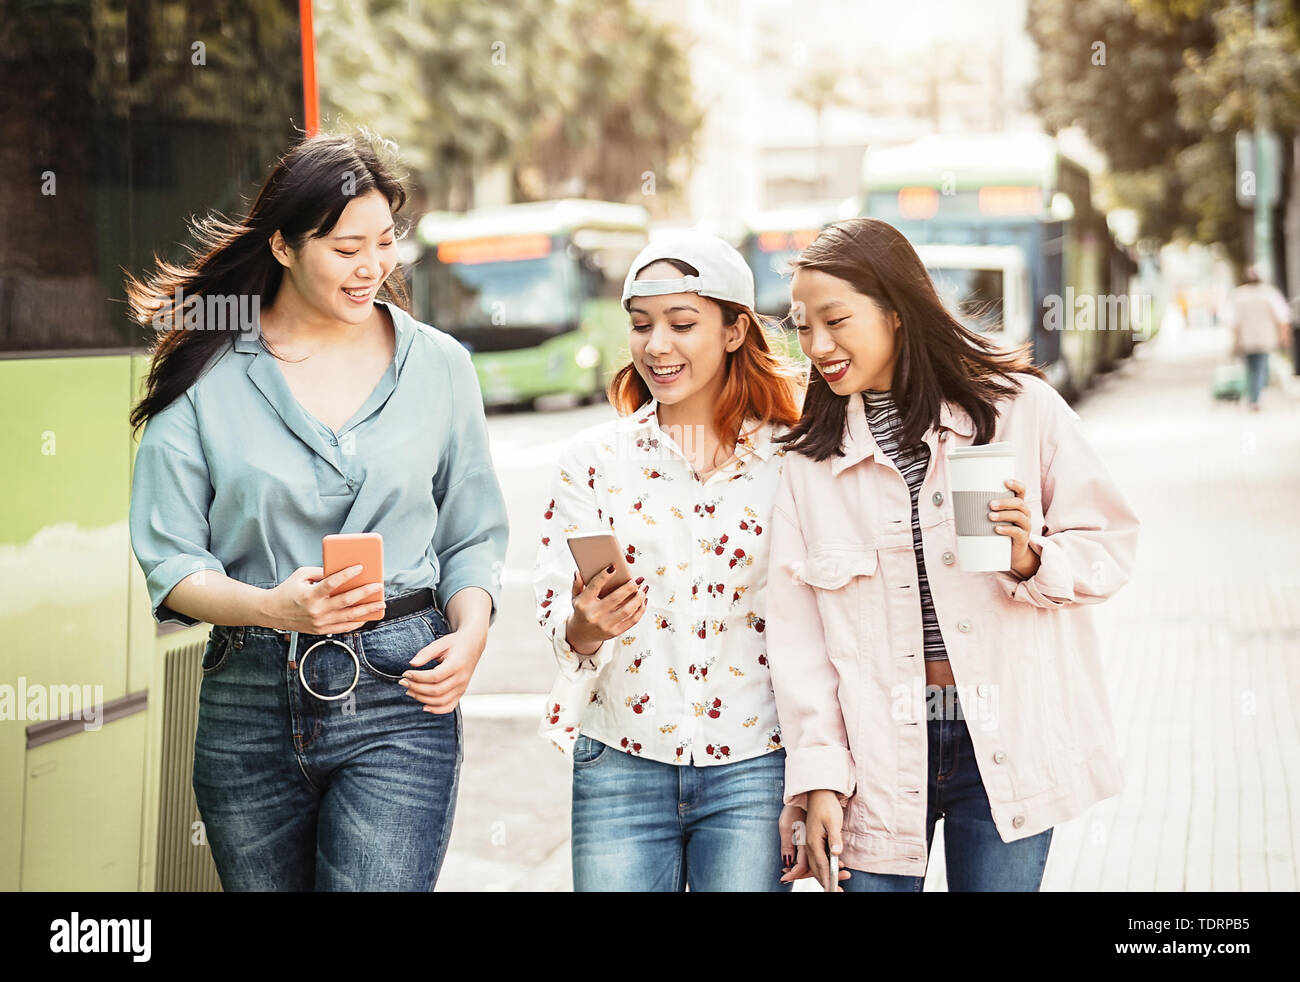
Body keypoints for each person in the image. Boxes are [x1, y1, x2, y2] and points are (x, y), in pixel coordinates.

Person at [126, 133, 508, 891]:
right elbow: (171, 561)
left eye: (386, 242)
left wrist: (472, 633)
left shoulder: (441, 367)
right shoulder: (208, 371)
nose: (372, 267)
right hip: (249, 700)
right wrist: (272, 607)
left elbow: (472, 534)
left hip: (401, 685)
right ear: (284, 245)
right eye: (344, 247)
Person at [766, 218, 1139, 892]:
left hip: (1004, 735)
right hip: (876, 751)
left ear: (898, 312)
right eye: (802, 325)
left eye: (836, 320)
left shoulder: (1020, 408)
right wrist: (818, 777)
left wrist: (1031, 559)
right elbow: (798, 642)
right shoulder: (806, 464)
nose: (818, 345)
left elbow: (1110, 544)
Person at [532, 231, 804, 891]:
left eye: (682, 324)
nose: (657, 345)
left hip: (754, 765)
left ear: (736, 330)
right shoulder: (591, 460)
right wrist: (586, 626)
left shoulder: (795, 460)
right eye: (641, 325)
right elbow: (555, 617)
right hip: (621, 757)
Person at [1227, 266, 1292, 411]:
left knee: (1252, 368)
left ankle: (1254, 396)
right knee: (1260, 367)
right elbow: (1283, 316)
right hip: (1265, 337)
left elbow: (1233, 322)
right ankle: (1255, 397)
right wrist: (1284, 336)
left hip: (1246, 339)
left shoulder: (1238, 295)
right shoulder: (1268, 293)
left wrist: (1235, 341)